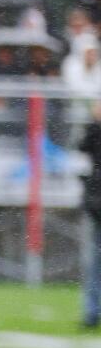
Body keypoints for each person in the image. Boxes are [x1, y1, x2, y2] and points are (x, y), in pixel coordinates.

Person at [80, 101, 101, 329]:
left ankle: (92, 311)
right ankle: (92, 311)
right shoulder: (95, 132)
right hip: (97, 204)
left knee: (94, 261)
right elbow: (84, 145)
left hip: (96, 202)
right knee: (94, 261)